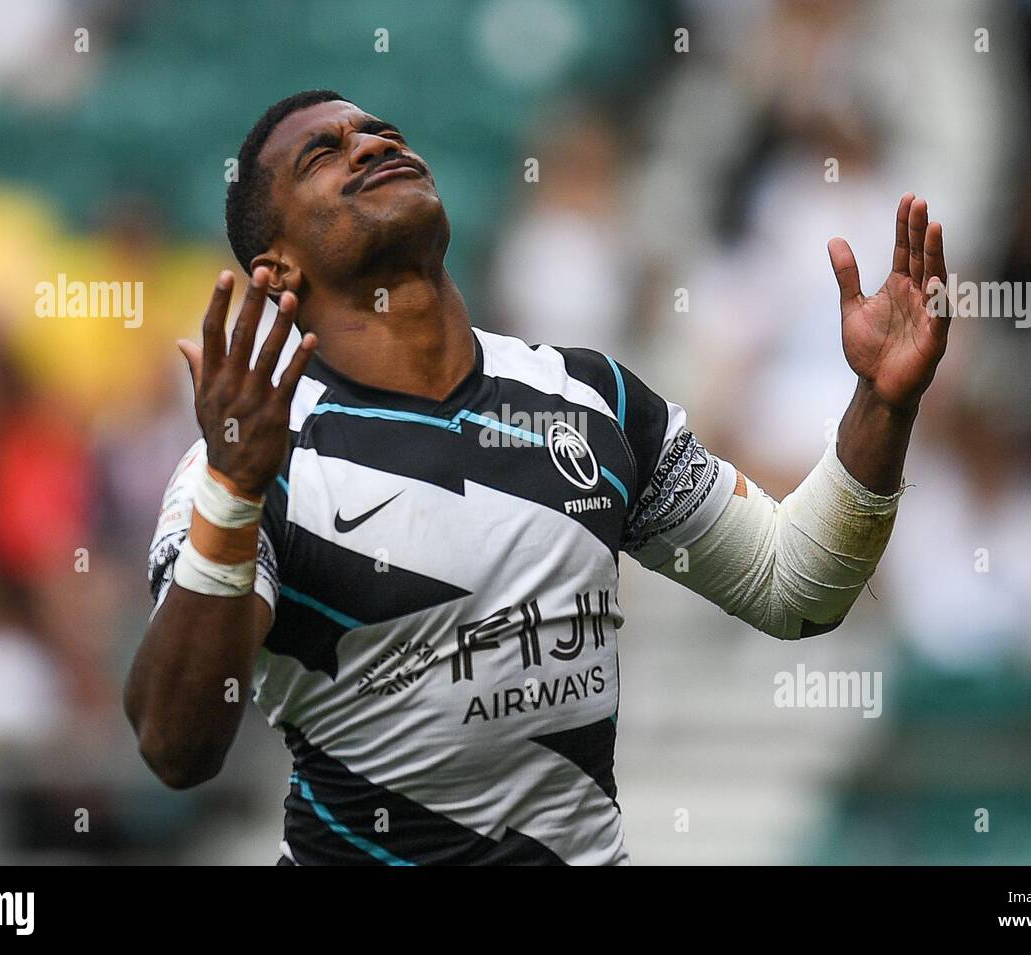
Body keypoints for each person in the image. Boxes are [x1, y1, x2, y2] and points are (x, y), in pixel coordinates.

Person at [122, 89, 952, 865]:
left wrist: (881, 407)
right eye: (323, 155)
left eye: (383, 133)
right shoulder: (250, 459)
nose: (369, 144)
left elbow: (795, 588)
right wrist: (234, 488)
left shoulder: (595, 398)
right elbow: (175, 747)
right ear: (278, 271)